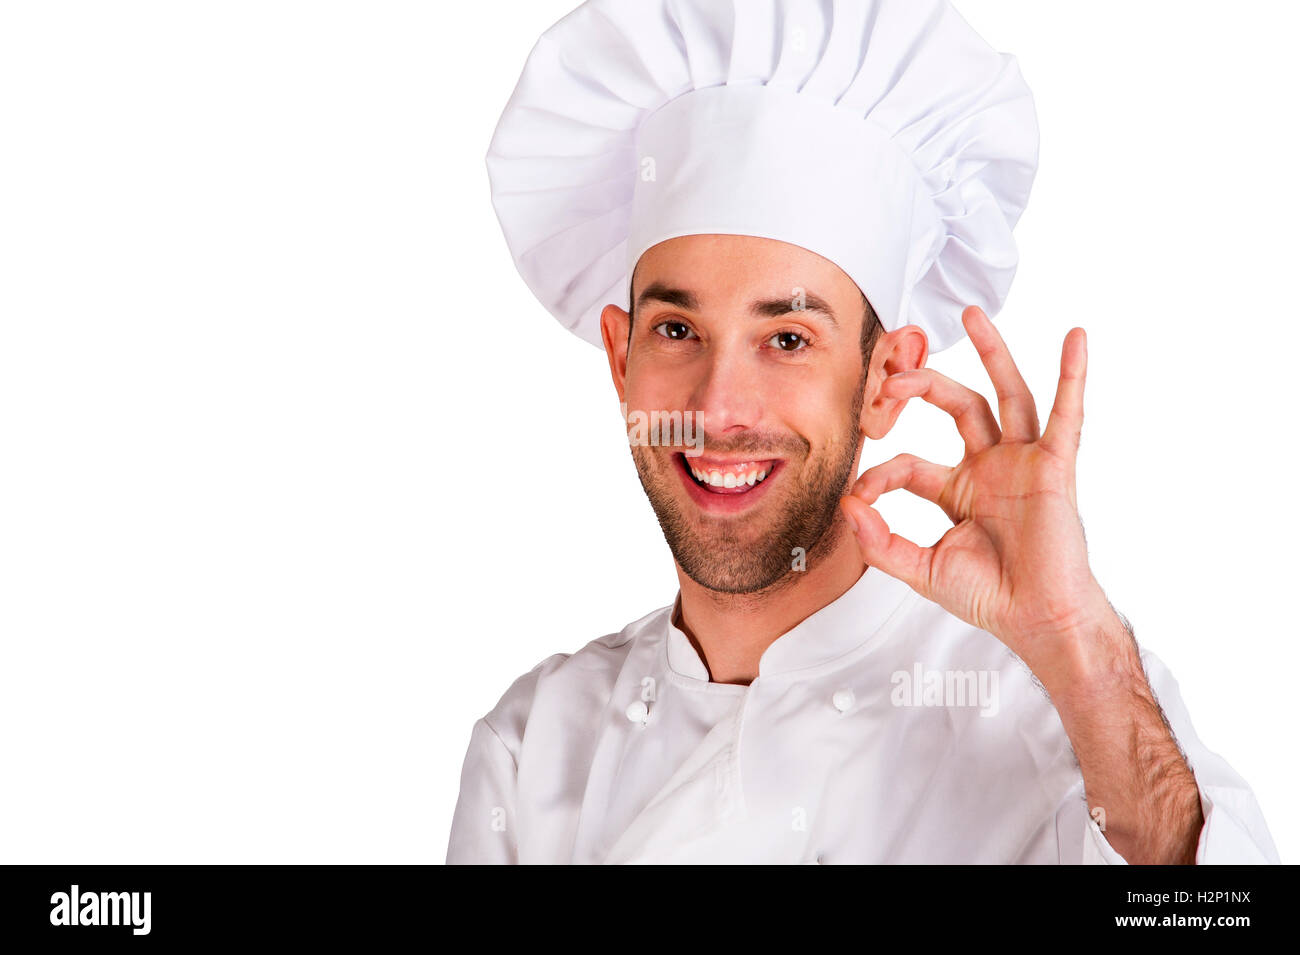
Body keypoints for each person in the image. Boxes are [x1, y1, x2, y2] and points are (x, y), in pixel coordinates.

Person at [447, 0, 1279, 864]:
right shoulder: (532, 750)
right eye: (677, 330)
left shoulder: (1058, 710)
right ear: (621, 358)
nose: (721, 407)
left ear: (884, 381)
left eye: (788, 339)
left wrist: (1076, 637)